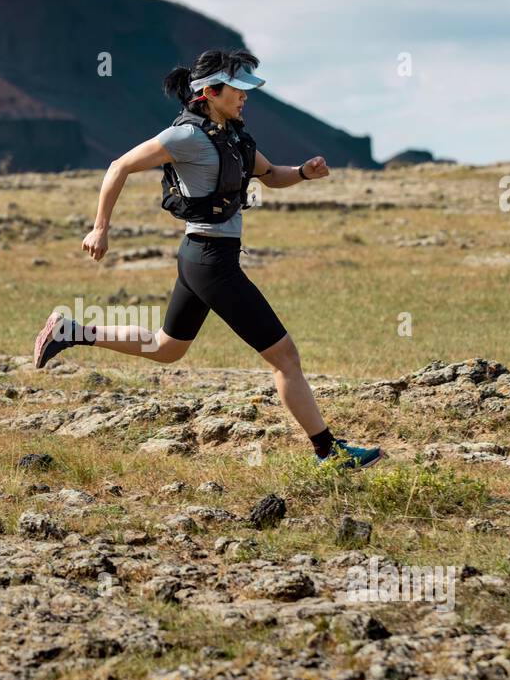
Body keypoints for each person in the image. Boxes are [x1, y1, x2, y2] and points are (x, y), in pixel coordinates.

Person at [33, 48, 382, 468]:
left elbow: (271, 176)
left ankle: (71, 331)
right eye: (237, 89)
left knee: (165, 349)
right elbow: (118, 165)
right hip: (210, 261)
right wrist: (100, 227)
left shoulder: (233, 137)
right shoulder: (185, 137)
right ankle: (329, 452)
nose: (245, 97)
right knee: (285, 358)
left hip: (203, 259)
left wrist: (304, 172)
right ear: (211, 91)